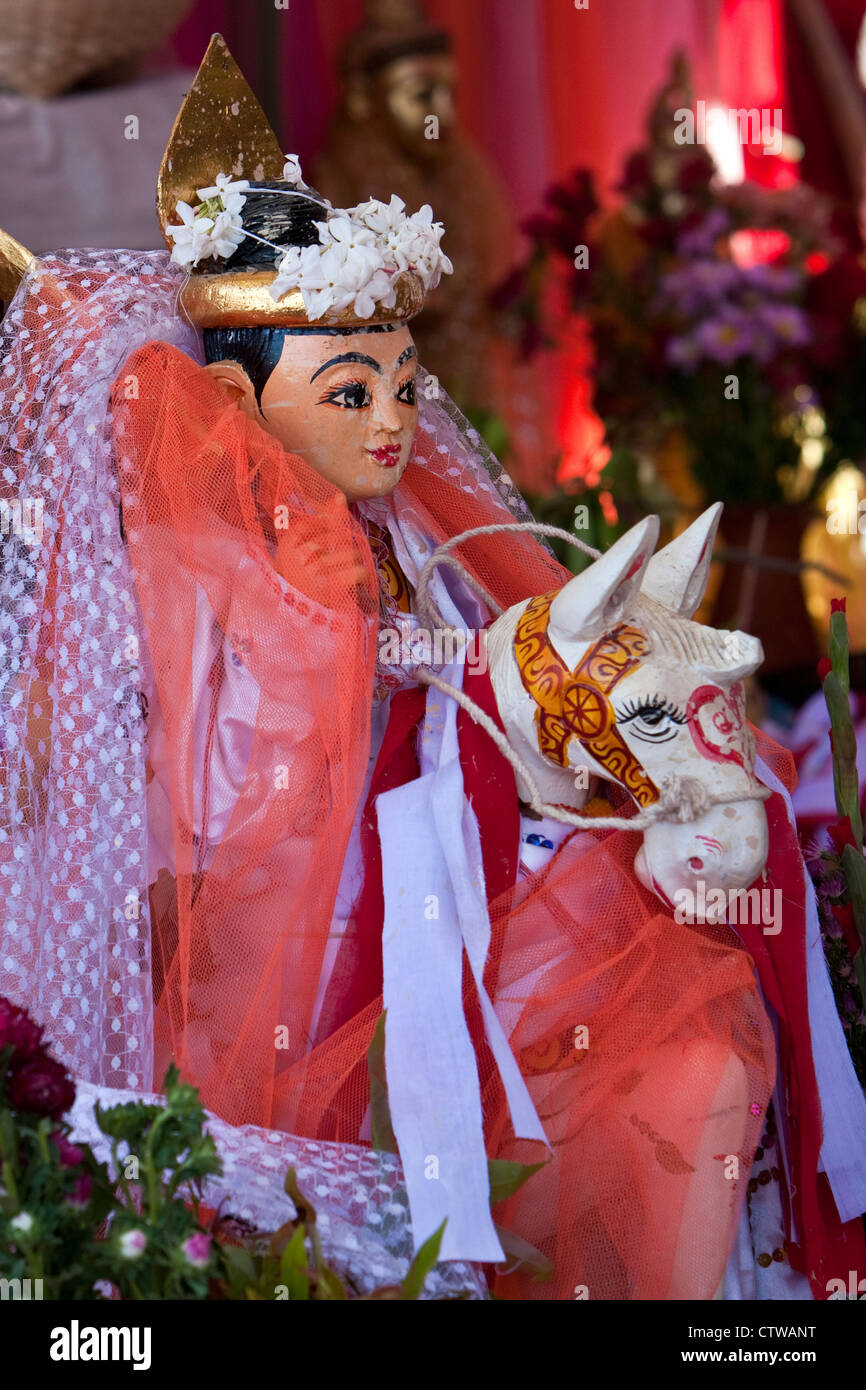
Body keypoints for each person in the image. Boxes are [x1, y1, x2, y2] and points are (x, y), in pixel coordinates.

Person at [1, 35, 863, 1301]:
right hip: (314, 978)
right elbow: (233, 820)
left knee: (699, 1039)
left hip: (467, 911)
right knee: (657, 1074)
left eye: (405, 384)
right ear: (235, 411)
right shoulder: (203, 580)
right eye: (348, 394)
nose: (397, 422)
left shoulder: (410, 535)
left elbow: (494, 710)